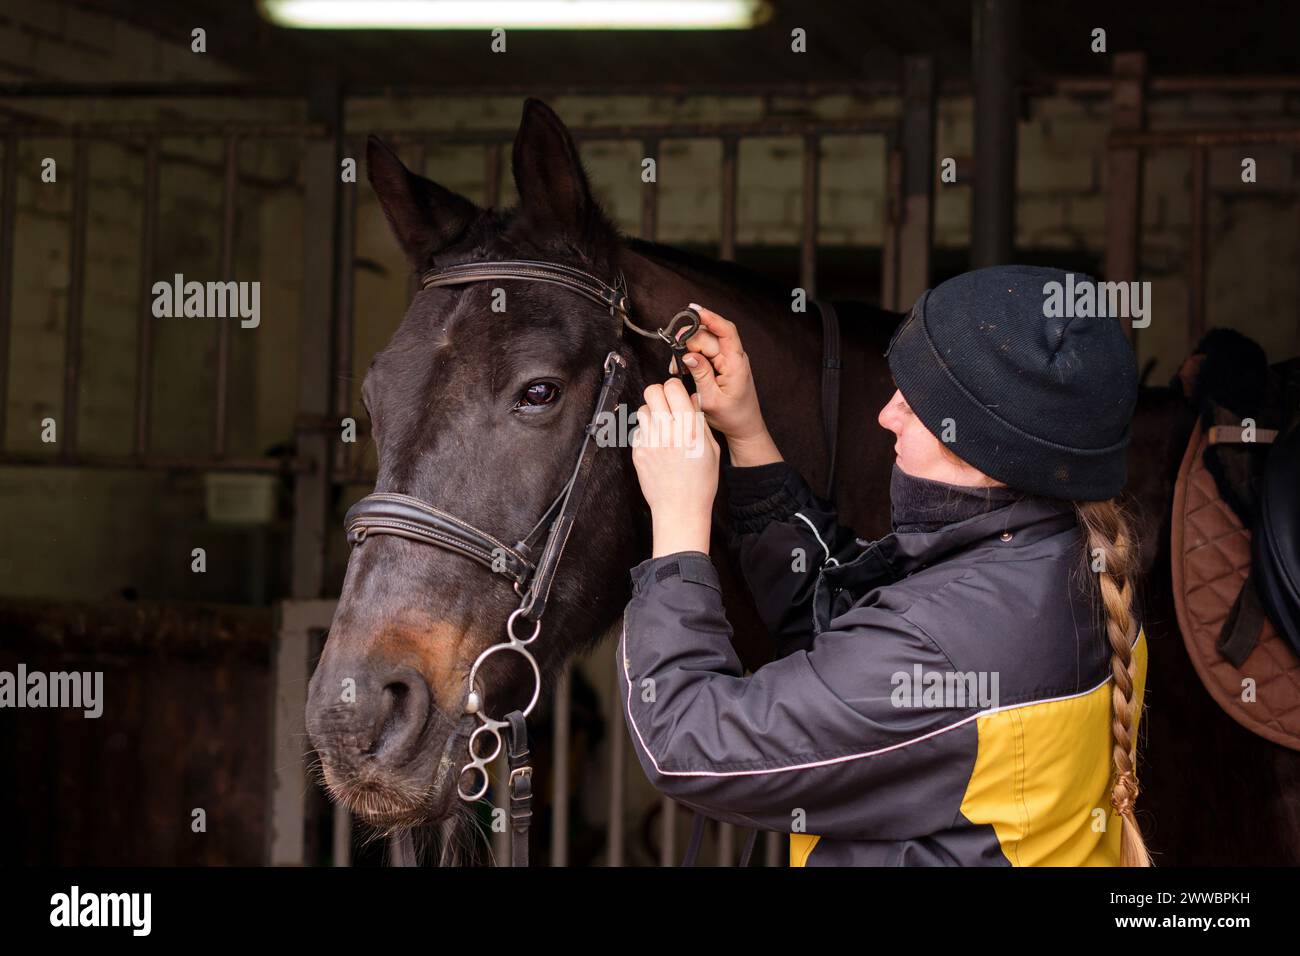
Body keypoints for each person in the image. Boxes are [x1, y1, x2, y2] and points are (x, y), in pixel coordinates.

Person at [622, 265, 1149, 866]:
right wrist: (747, 438)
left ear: (988, 452)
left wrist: (677, 525)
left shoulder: (943, 645)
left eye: (918, 403)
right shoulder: (1067, 561)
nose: (887, 414)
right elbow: (847, 641)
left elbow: (683, 742)